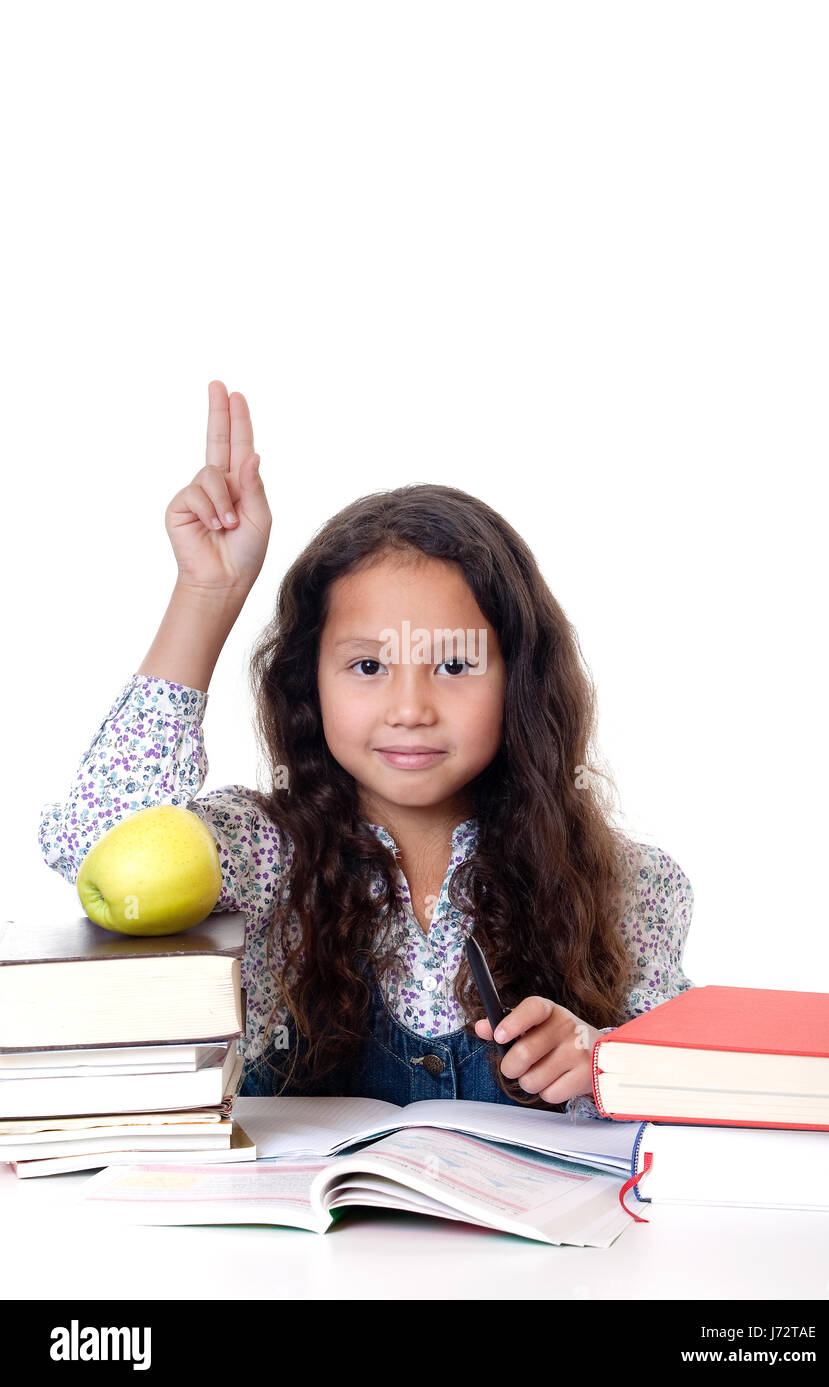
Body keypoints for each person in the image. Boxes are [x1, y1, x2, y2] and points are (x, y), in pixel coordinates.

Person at [38, 380, 696, 1122]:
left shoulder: (626, 887)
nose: (410, 709)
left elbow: (692, 1124)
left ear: (519, 678)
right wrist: (206, 594)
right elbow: (101, 845)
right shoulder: (261, 857)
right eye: (368, 666)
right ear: (308, 683)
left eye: (453, 666)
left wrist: (601, 1062)